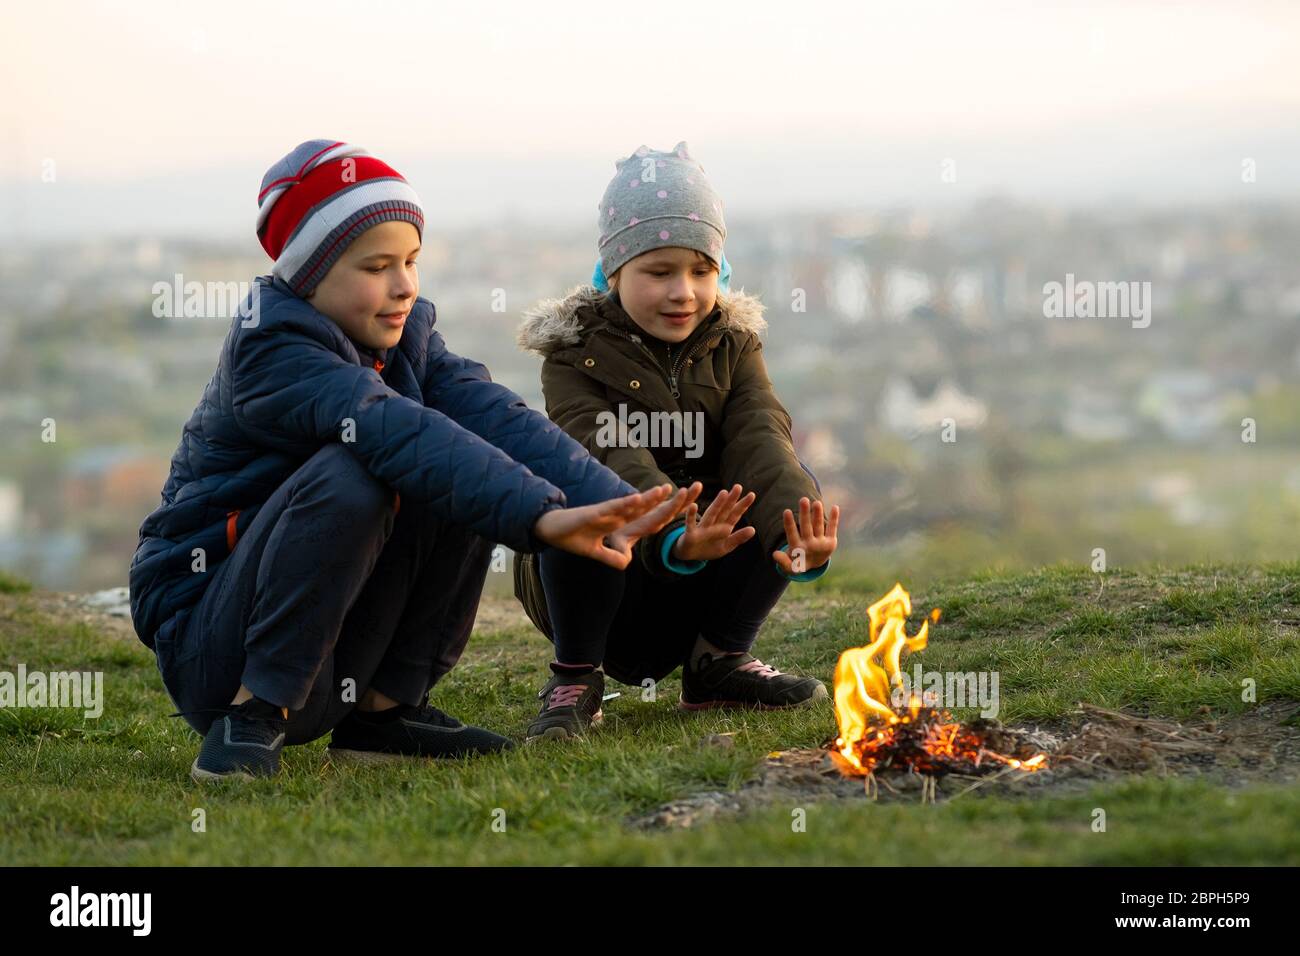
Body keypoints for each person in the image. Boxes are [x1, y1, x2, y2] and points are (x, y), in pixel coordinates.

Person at [129, 140, 693, 782]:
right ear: (310, 276)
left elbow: (499, 420)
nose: (403, 286)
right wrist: (538, 517)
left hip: (334, 653)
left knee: (459, 456)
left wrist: (624, 509)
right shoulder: (273, 351)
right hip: (213, 649)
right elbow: (390, 427)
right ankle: (253, 712)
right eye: (377, 267)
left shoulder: (408, 343)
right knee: (362, 470)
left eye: (411, 261)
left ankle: (383, 713)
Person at [513, 141, 839, 741]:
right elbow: (605, 444)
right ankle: (576, 677)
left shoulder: (734, 344)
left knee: (772, 490)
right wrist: (672, 528)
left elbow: (760, 433)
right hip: (612, 591)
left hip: (704, 566)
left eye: (701, 270)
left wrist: (797, 533)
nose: (683, 292)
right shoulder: (571, 352)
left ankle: (717, 663)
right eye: (658, 271)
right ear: (614, 273)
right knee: (573, 490)